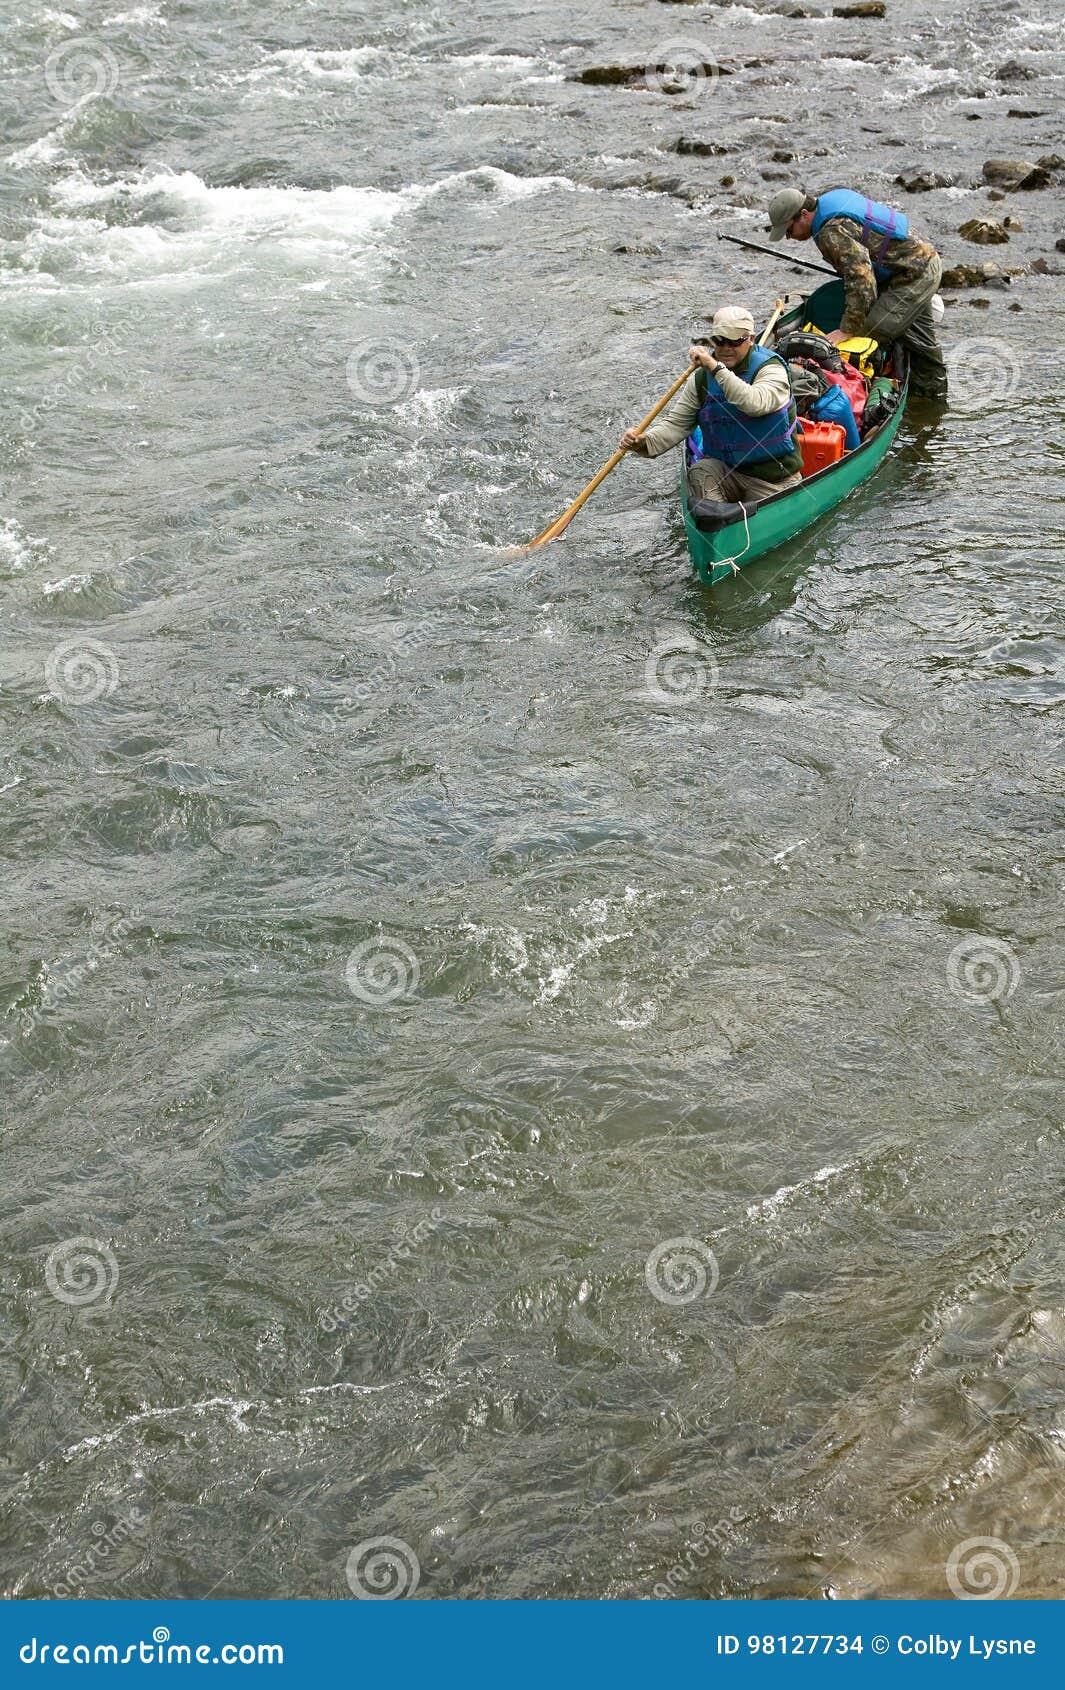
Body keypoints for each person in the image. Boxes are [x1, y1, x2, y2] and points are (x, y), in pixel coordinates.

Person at [766, 186, 948, 400]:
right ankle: (932, 400)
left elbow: (862, 280)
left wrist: (848, 329)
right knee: (920, 341)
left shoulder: (830, 231)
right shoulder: (828, 199)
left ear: (804, 215)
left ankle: (861, 393)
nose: (788, 237)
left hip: (913, 275)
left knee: (866, 336)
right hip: (917, 262)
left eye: (788, 230)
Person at [620, 306, 803, 506]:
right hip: (727, 474)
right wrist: (643, 442)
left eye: (735, 341)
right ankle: (717, 520)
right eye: (719, 340)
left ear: (750, 339)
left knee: (762, 502)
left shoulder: (771, 370)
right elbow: (677, 424)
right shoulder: (701, 379)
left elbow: (754, 403)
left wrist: (716, 368)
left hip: (774, 479)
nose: (725, 348)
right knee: (700, 470)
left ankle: (739, 518)